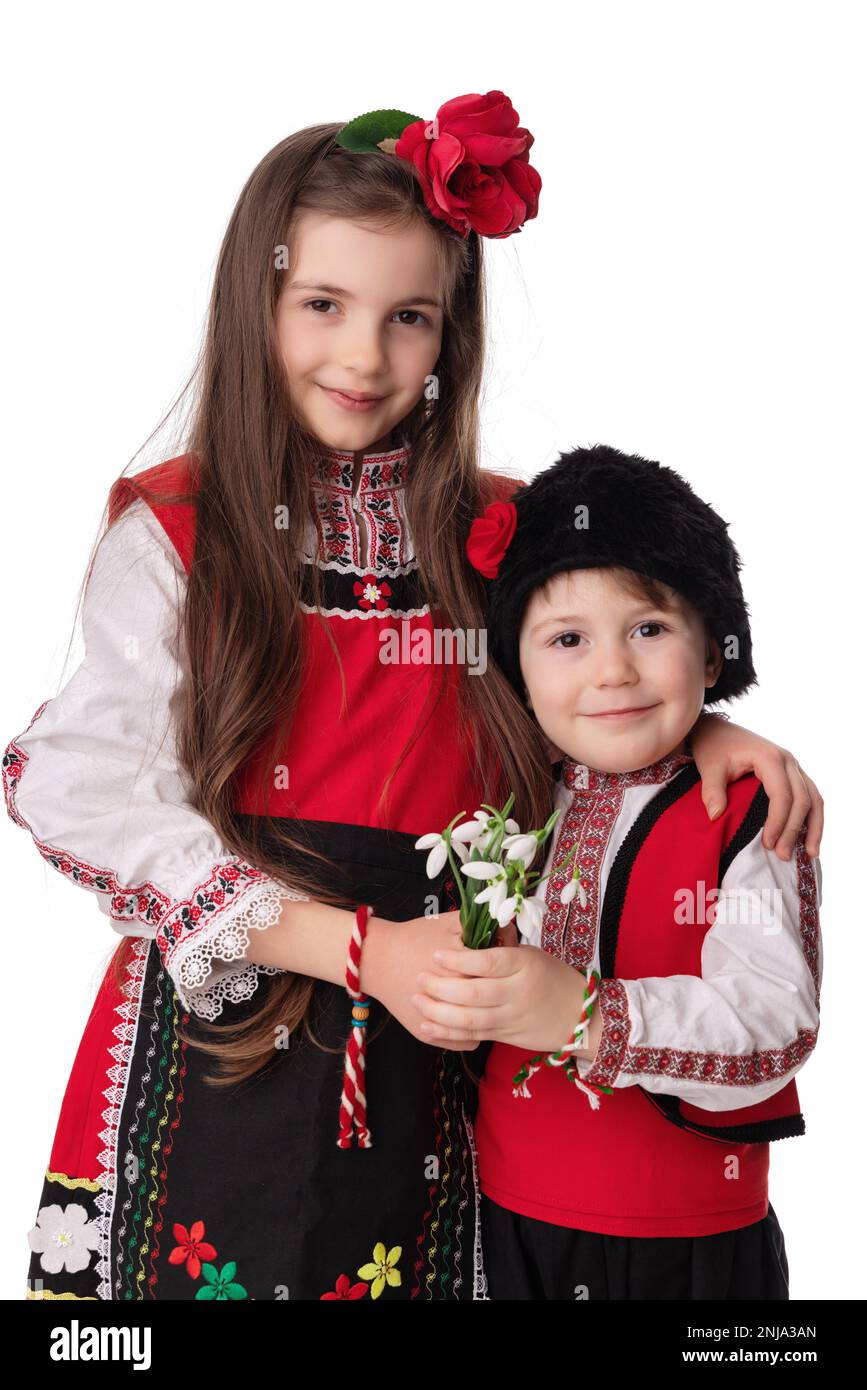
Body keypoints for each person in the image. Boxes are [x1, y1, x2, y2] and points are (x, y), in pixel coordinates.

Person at [5, 92, 821, 1301]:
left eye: (410, 318)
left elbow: (608, 665)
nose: (364, 357)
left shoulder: (504, 528)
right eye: (322, 305)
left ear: (453, 336)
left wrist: (702, 723)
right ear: (257, 303)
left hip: (450, 1033)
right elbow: (82, 791)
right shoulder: (182, 531)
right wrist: (355, 948)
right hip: (228, 1030)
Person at [415, 443, 823, 1299]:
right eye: (567, 638)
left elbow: (774, 1024)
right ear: (516, 674)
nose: (612, 670)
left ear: (711, 654)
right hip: (504, 1221)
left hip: (686, 1246)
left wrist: (587, 1015)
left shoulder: (747, 810)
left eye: (649, 629)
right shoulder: (506, 801)